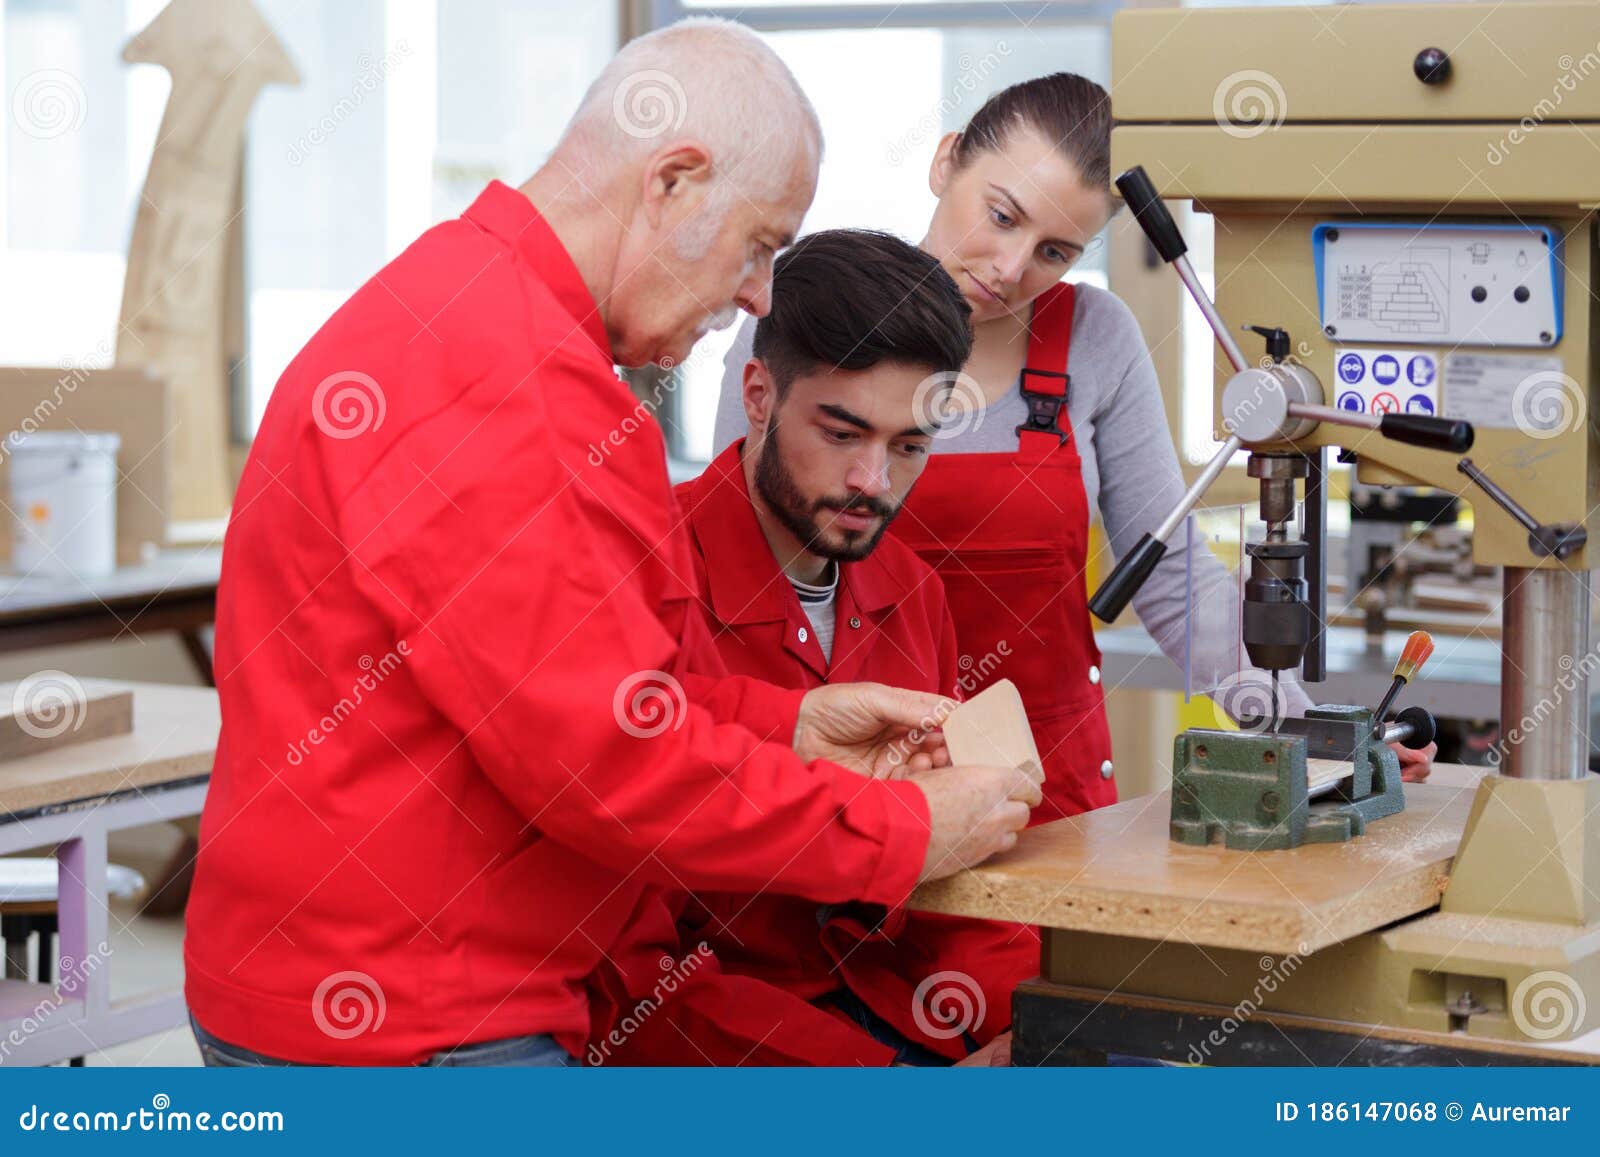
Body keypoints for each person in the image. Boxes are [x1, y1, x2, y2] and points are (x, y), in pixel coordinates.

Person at [183, 18, 1038, 1069]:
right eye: (760, 245)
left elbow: (575, 691)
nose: (758, 294)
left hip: (343, 980)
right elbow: (610, 763)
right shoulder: (518, 389)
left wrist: (790, 724)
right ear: (672, 181)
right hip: (422, 1022)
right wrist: (900, 832)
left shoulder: (453, 303)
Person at [714, 73, 1435, 826]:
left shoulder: (1094, 336)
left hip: (1045, 794)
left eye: (1054, 250)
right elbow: (740, 570)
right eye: (1001, 215)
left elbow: (1172, 575)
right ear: (946, 160)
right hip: (843, 781)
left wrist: (1312, 737)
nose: (1010, 268)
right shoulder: (806, 314)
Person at [587, 229, 1031, 1067]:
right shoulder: (640, 580)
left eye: (910, 446)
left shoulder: (916, 593)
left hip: (907, 1021)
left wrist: (1032, 1028)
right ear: (758, 395)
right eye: (842, 434)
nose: (874, 481)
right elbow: (633, 976)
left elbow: (955, 887)